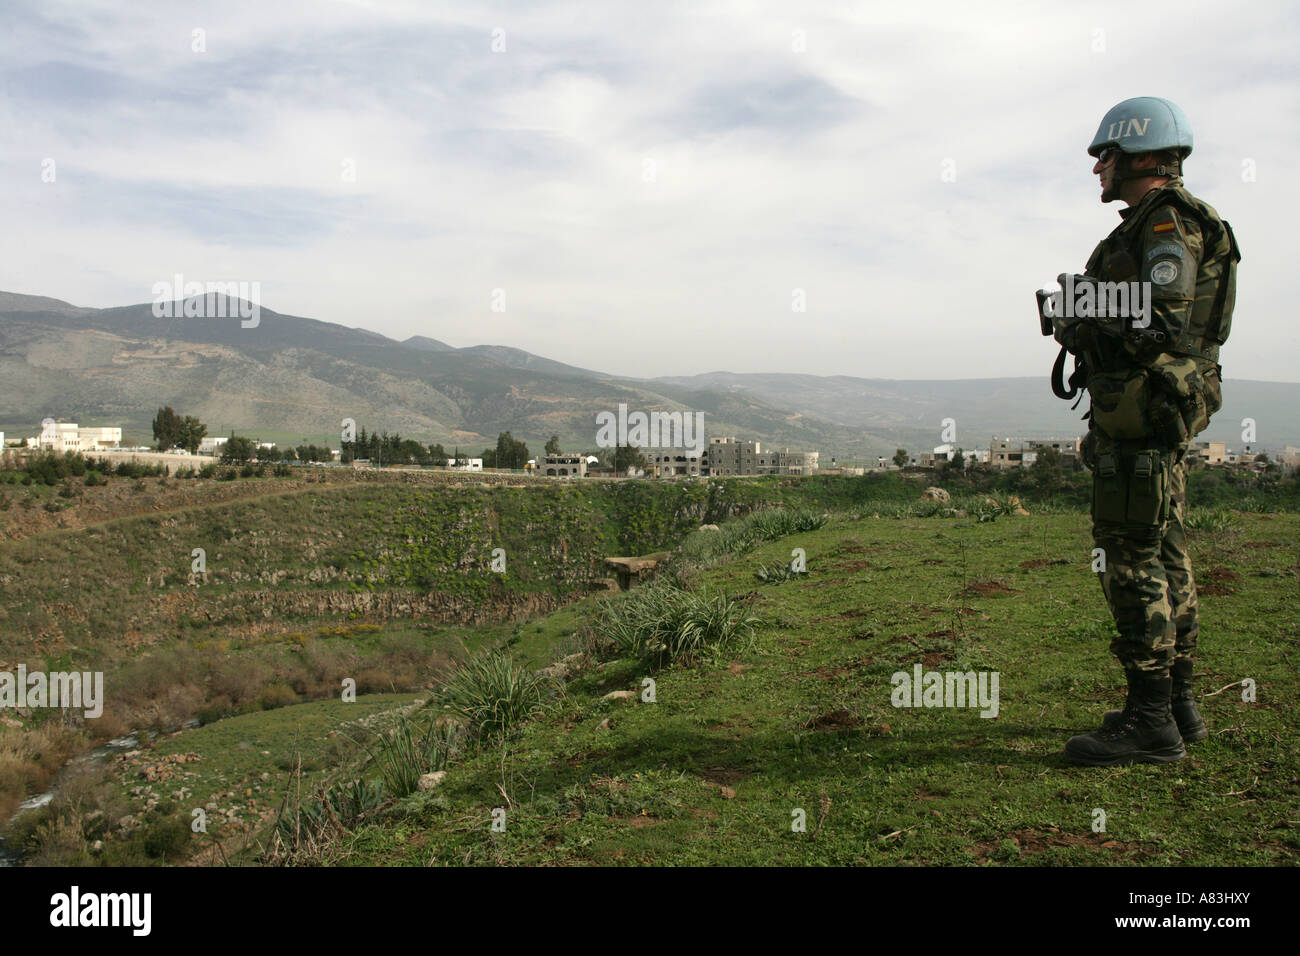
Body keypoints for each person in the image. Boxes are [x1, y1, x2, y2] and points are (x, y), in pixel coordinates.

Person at [1051, 96, 1241, 766]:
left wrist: (1076, 308)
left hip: (1144, 410)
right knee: (1164, 551)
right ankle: (1177, 706)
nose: (1097, 169)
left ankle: (1151, 721)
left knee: (1129, 559)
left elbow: (1161, 312)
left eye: (1105, 156)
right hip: (1151, 409)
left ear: (1137, 154)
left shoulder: (1166, 222)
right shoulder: (1157, 224)